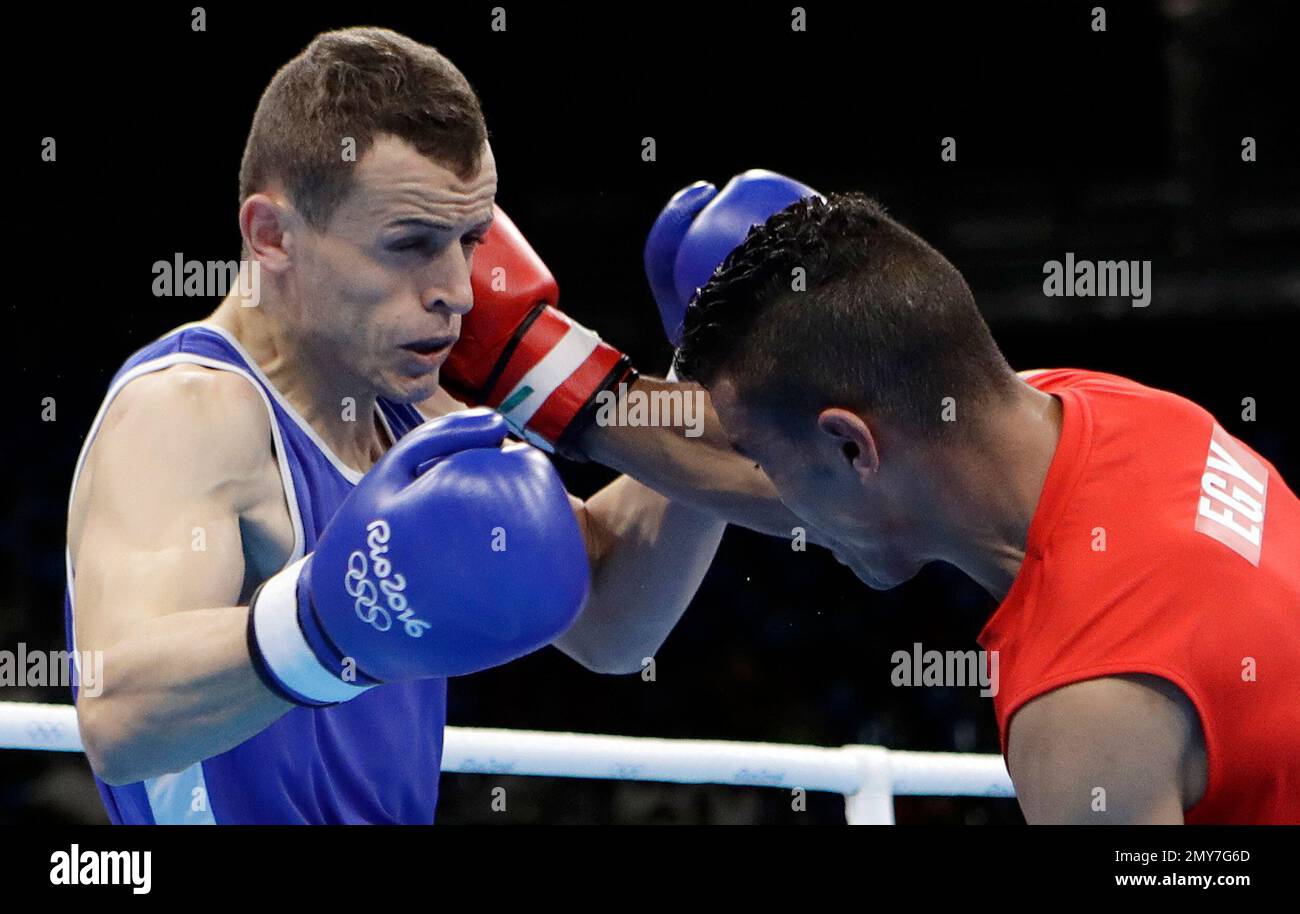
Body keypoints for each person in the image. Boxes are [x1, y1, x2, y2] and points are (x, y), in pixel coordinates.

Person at [65, 27, 792, 824]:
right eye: (410, 244)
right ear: (272, 236)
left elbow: (610, 623)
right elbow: (118, 717)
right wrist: (326, 624)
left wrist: (708, 374)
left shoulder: (413, 407)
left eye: (471, 241)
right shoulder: (189, 411)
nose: (459, 290)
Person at [654, 177, 1300, 824]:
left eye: (765, 462)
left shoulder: (1086, 706)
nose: (771, 491)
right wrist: (596, 395)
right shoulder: (1119, 408)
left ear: (852, 447)